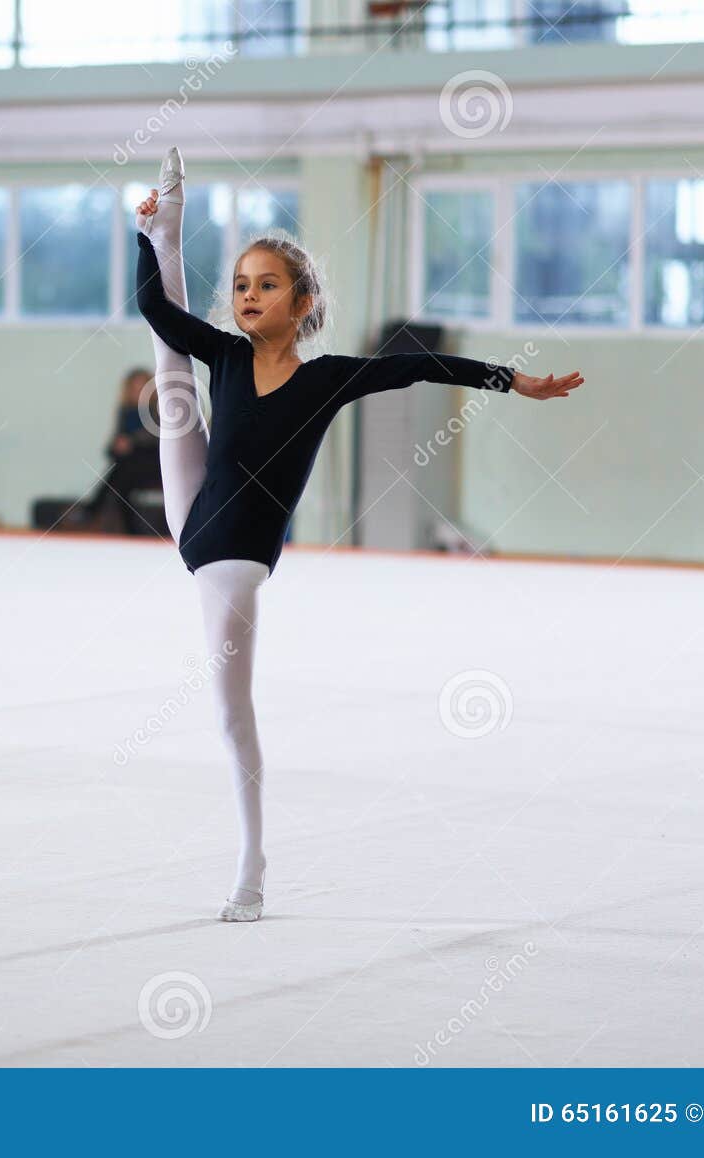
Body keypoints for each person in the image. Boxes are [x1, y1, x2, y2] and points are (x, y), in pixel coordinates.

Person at [134, 147, 584, 922]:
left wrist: (513, 380)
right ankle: (164, 220)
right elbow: (160, 315)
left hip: (231, 564)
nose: (247, 296)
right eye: (240, 284)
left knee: (229, 715)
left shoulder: (328, 376)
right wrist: (144, 245)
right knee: (171, 368)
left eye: (265, 285)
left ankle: (252, 864)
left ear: (303, 302)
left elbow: (420, 366)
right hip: (193, 515)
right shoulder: (230, 355)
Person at [85, 367, 162, 533]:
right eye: (135, 388)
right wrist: (118, 446)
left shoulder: (159, 411)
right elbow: (111, 449)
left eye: (142, 387)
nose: (139, 392)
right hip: (130, 466)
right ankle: (130, 531)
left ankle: (92, 509)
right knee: (123, 474)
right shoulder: (125, 412)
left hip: (153, 464)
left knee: (123, 471)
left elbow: (158, 440)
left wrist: (131, 442)